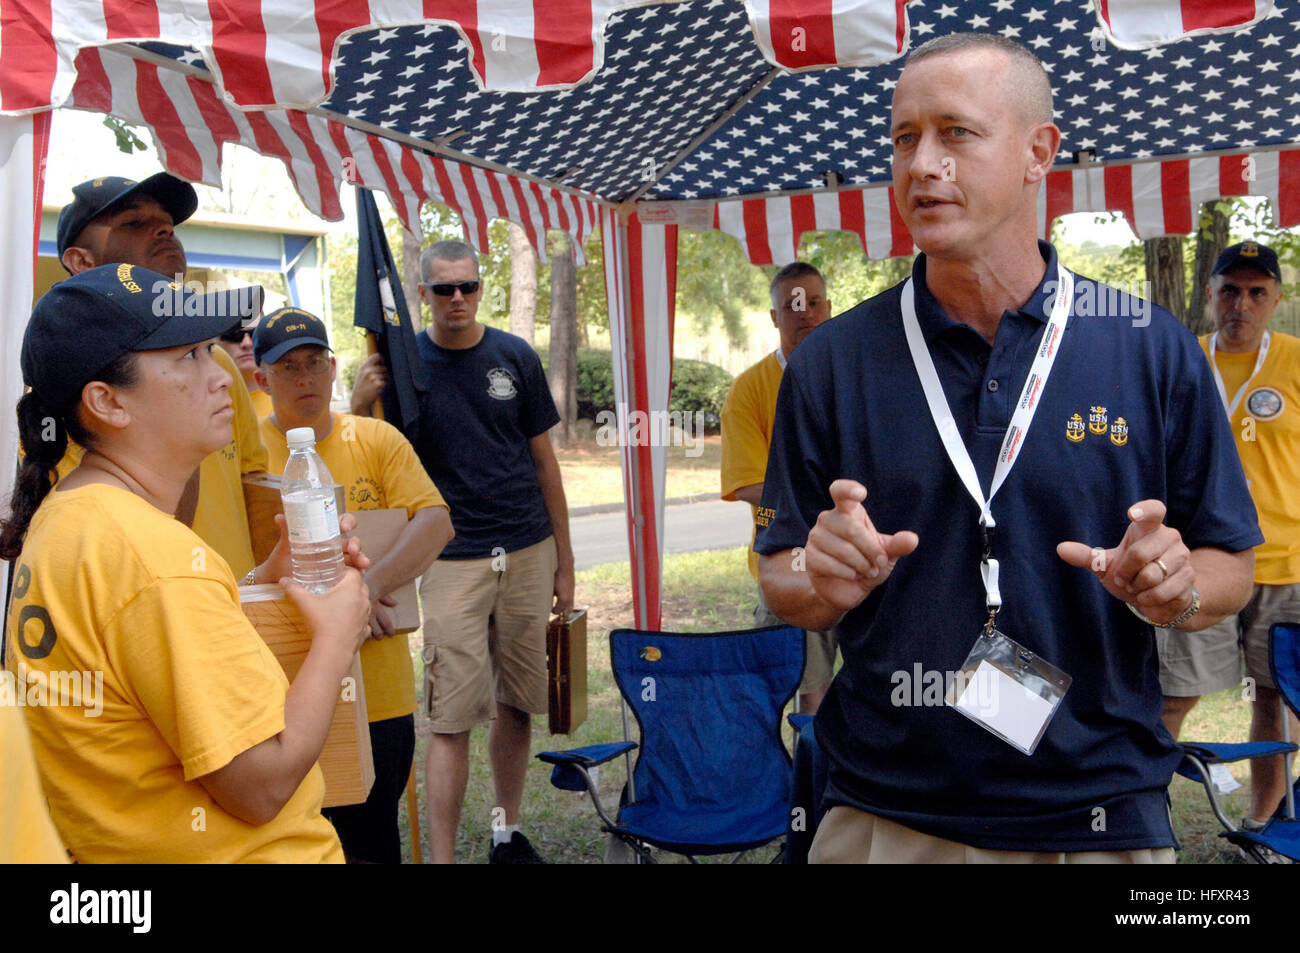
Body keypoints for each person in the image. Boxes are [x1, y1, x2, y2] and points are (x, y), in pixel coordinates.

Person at [754, 32, 1260, 864]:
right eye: (904, 137)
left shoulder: (1149, 346)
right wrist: (818, 574)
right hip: (890, 815)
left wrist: (1174, 586)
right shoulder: (831, 364)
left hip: (1103, 815)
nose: (922, 164)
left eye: (956, 132)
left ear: (1038, 152)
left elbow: (1230, 567)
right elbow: (781, 573)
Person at [1, 265, 373, 862]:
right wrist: (336, 633)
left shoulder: (69, 517)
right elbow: (261, 785)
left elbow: (142, 678)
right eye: (190, 356)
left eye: (212, 349)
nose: (224, 376)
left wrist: (263, 584)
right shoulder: (154, 555)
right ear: (107, 402)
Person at [352, 240, 575, 864]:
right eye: (444, 289)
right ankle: (445, 858)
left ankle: (505, 834)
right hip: (449, 558)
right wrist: (357, 401)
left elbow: (544, 463)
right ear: (422, 294)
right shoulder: (401, 367)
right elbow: (369, 458)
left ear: (481, 289)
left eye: (468, 287)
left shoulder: (514, 357)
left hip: (528, 547)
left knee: (519, 704)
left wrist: (566, 560)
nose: (457, 299)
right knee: (450, 718)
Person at [253, 306, 454, 863]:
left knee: (372, 842)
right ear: (260, 377)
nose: (304, 378)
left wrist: (362, 595)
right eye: (287, 367)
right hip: (285, 696)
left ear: (335, 367)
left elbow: (436, 521)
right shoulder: (244, 453)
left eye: (315, 362)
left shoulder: (375, 438)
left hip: (378, 692)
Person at [56, 172, 269, 578]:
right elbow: (94, 546)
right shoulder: (66, 381)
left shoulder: (219, 365)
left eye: (168, 224)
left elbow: (253, 482)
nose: (164, 231)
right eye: (134, 223)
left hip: (237, 614)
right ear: (82, 262)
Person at [1158, 240, 1300, 831]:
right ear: (1211, 295)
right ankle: (1144, 811)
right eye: (1231, 290)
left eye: (1256, 292)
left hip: (1286, 566)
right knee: (1173, 696)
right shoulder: (1181, 360)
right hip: (1202, 565)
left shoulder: (1294, 360)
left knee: (1278, 700)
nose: (1242, 303)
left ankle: (1263, 821)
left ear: (1275, 299)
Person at [722, 262, 837, 713]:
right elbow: (748, 483)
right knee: (805, 692)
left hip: (863, 560)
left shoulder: (852, 374)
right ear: (774, 317)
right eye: (792, 305)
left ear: (829, 308)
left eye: (813, 302)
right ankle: (800, 782)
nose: (804, 313)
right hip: (792, 563)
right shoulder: (751, 389)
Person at [218, 312, 272, 418]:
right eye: (234, 336)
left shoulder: (288, 395)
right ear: (215, 343)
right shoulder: (206, 404)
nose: (247, 343)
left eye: (255, 334)